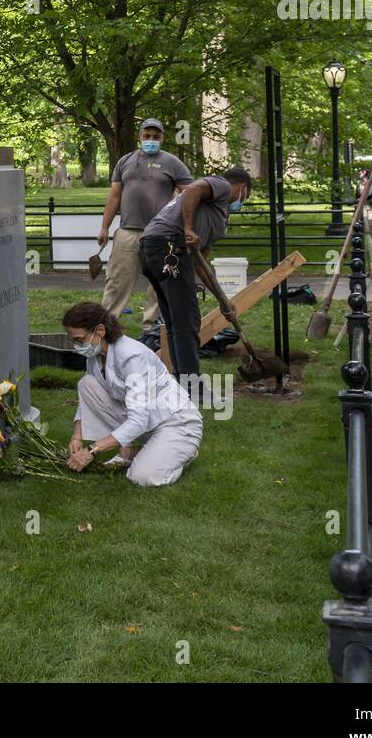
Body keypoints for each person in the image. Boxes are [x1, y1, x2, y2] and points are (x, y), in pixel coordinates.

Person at [61, 302, 202, 486]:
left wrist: (92, 450)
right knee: (87, 384)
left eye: (79, 340)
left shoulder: (132, 356)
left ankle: (181, 451)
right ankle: (130, 451)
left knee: (142, 477)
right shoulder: (95, 357)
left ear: (100, 330)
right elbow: (87, 399)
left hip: (176, 422)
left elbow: (138, 420)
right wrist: (76, 436)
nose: (76, 346)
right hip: (147, 420)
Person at [138, 166, 253, 392]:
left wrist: (222, 300)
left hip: (153, 247)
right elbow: (192, 190)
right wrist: (188, 229)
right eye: (245, 195)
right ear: (243, 188)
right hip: (169, 246)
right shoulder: (221, 185)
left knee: (176, 321)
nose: (242, 200)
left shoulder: (218, 214)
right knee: (187, 322)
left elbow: (200, 263)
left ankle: (181, 383)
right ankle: (193, 387)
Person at [97, 118, 192, 347]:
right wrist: (104, 227)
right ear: (140, 136)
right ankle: (105, 330)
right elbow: (115, 196)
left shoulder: (172, 162)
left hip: (161, 235)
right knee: (116, 282)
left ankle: (151, 333)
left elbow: (190, 193)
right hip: (128, 231)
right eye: (147, 136)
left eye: (156, 137)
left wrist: (179, 216)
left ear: (162, 138)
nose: (151, 140)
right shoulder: (125, 161)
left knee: (157, 285)